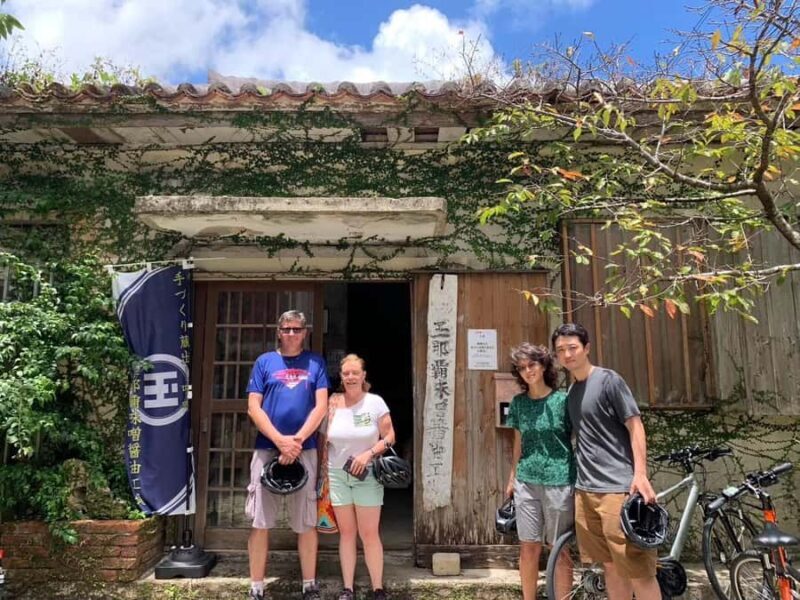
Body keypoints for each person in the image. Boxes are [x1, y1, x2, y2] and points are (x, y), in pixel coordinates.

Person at [551, 322, 661, 600]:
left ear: (587, 348)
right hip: (586, 491)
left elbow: (635, 424)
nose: (567, 355)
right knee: (610, 566)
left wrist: (640, 474)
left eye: (572, 348)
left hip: (618, 489)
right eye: (560, 350)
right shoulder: (572, 393)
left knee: (638, 570)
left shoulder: (609, 380)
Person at [245, 310, 329, 600]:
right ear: (278, 332)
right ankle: (256, 585)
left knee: (305, 519)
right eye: (287, 329)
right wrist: (280, 441)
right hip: (267, 446)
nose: (292, 334)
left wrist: (297, 441)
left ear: (305, 332)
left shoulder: (316, 362)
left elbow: (321, 407)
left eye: (297, 329)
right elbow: (253, 407)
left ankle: (309, 583)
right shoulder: (264, 362)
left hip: (304, 449)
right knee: (259, 520)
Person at [504, 343, 575, 600]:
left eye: (531, 365)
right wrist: (512, 476)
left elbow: (577, 439)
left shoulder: (563, 401)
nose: (527, 371)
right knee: (528, 547)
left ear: (544, 365)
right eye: (521, 368)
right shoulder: (519, 403)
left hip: (559, 479)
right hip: (526, 481)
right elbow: (518, 442)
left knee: (559, 548)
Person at [322, 354, 395, 600]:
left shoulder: (375, 402)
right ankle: (348, 588)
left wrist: (368, 454)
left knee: (369, 533)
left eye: (355, 373)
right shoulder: (332, 402)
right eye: (346, 374)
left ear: (364, 375)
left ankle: (377, 588)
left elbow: (390, 436)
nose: (351, 377)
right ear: (341, 377)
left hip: (368, 474)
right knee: (347, 532)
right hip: (337, 473)